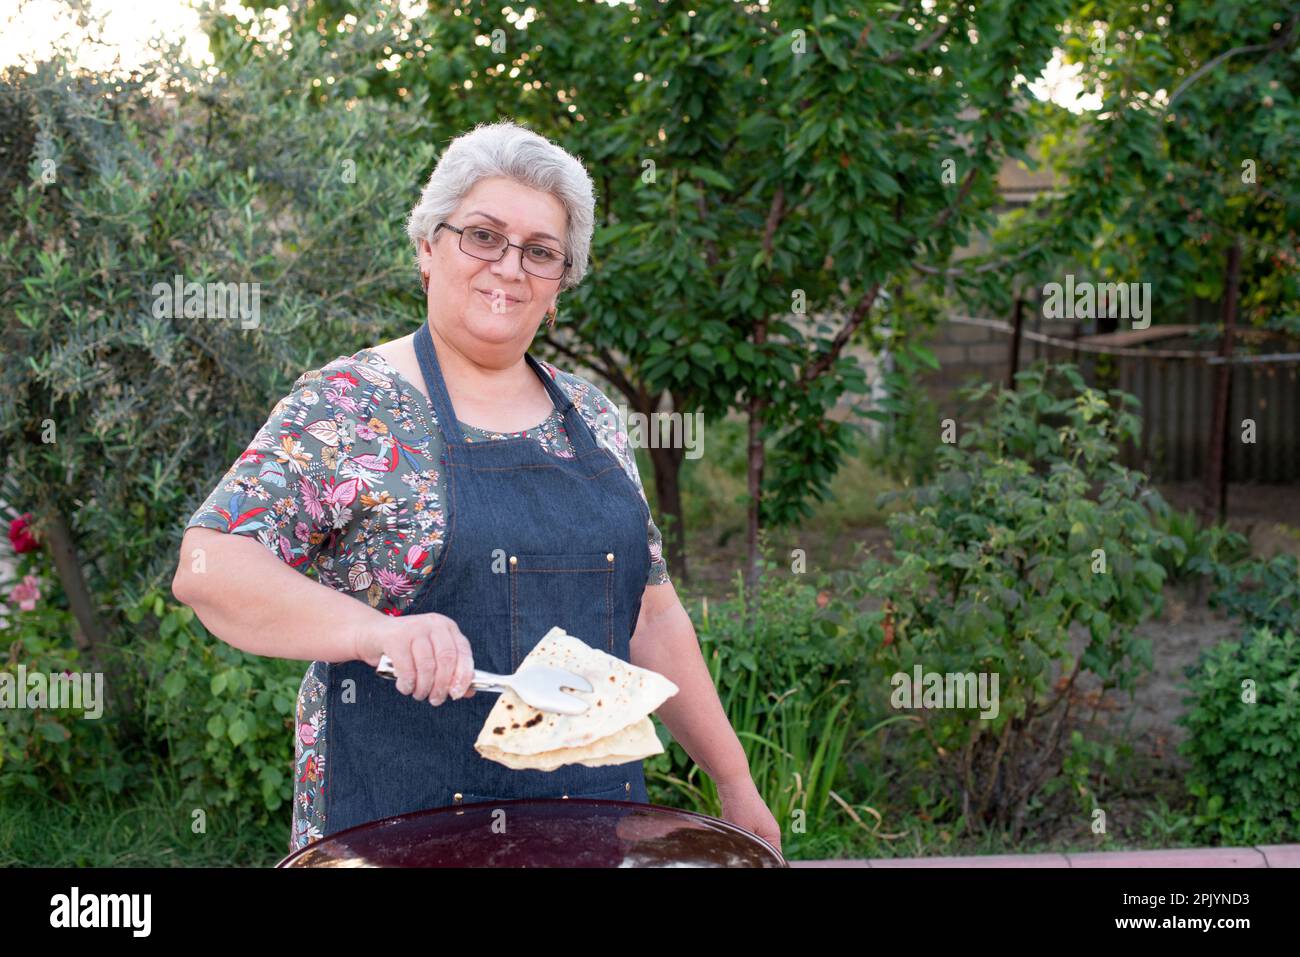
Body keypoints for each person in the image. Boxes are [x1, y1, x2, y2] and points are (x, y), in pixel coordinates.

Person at [172, 120, 780, 854]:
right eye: (483, 236)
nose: (509, 267)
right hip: (396, 832)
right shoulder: (350, 404)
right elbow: (209, 566)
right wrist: (377, 632)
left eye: (540, 252)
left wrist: (735, 781)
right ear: (428, 248)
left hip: (590, 829)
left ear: (559, 286)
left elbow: (650, 614)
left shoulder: (590, 415)